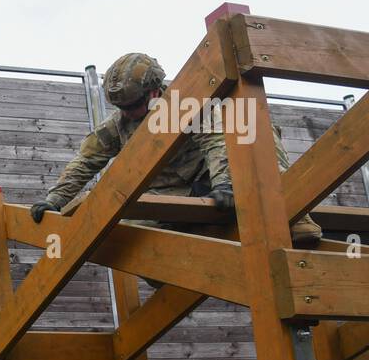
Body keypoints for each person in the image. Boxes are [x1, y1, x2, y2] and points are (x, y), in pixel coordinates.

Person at [29, 52, 323, 246]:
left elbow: (216, 138)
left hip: (218, 183)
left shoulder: (188, 105)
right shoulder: (118, 126)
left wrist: (224, 183)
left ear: (155, 91)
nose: (128, 112)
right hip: (172, 198)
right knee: (117, 223)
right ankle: (164, 265)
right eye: (121, 107)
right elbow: (86, 161)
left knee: (251, 124)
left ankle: (295, 218)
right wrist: (55, 200)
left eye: (134, 105)